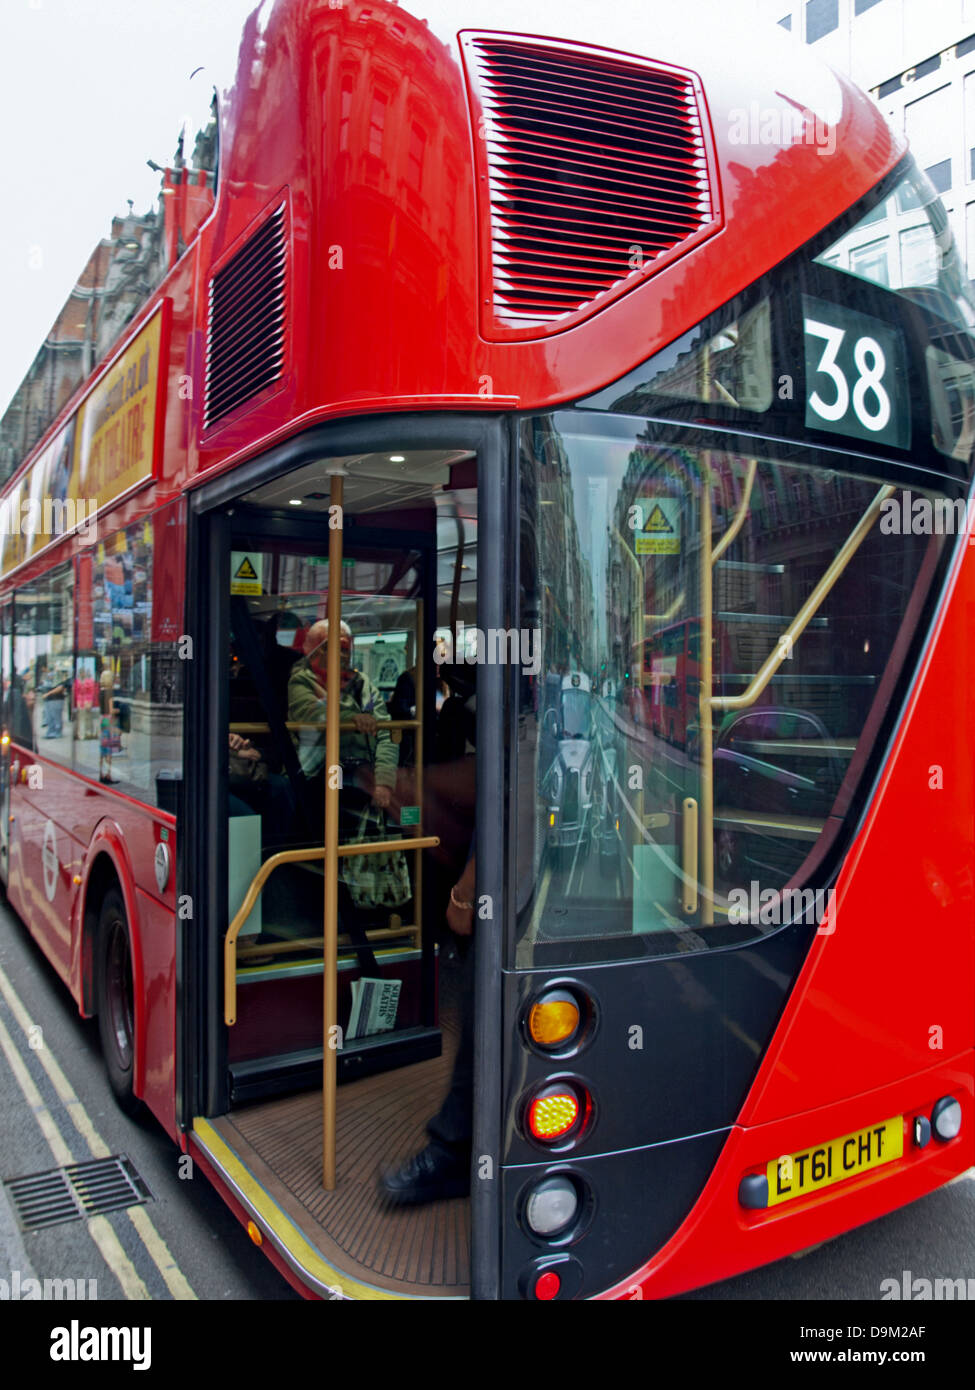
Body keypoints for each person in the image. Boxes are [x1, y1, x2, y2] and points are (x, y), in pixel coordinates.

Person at [380, 852, 475, 1204]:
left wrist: (463, 895)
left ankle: (454, 1150)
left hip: (504, 888)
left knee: (480, 1018)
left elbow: (512, 812)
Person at [287, 617, 398, 824]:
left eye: (346, 649)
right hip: (325, 769)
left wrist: (384, 781)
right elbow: (310, 715)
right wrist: (352, 718)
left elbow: (386, 732)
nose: (342, 655)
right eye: (334, 647)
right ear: (315, 651)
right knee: (339, 805)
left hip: (364, 768)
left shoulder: (361, 684)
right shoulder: (302, 680)